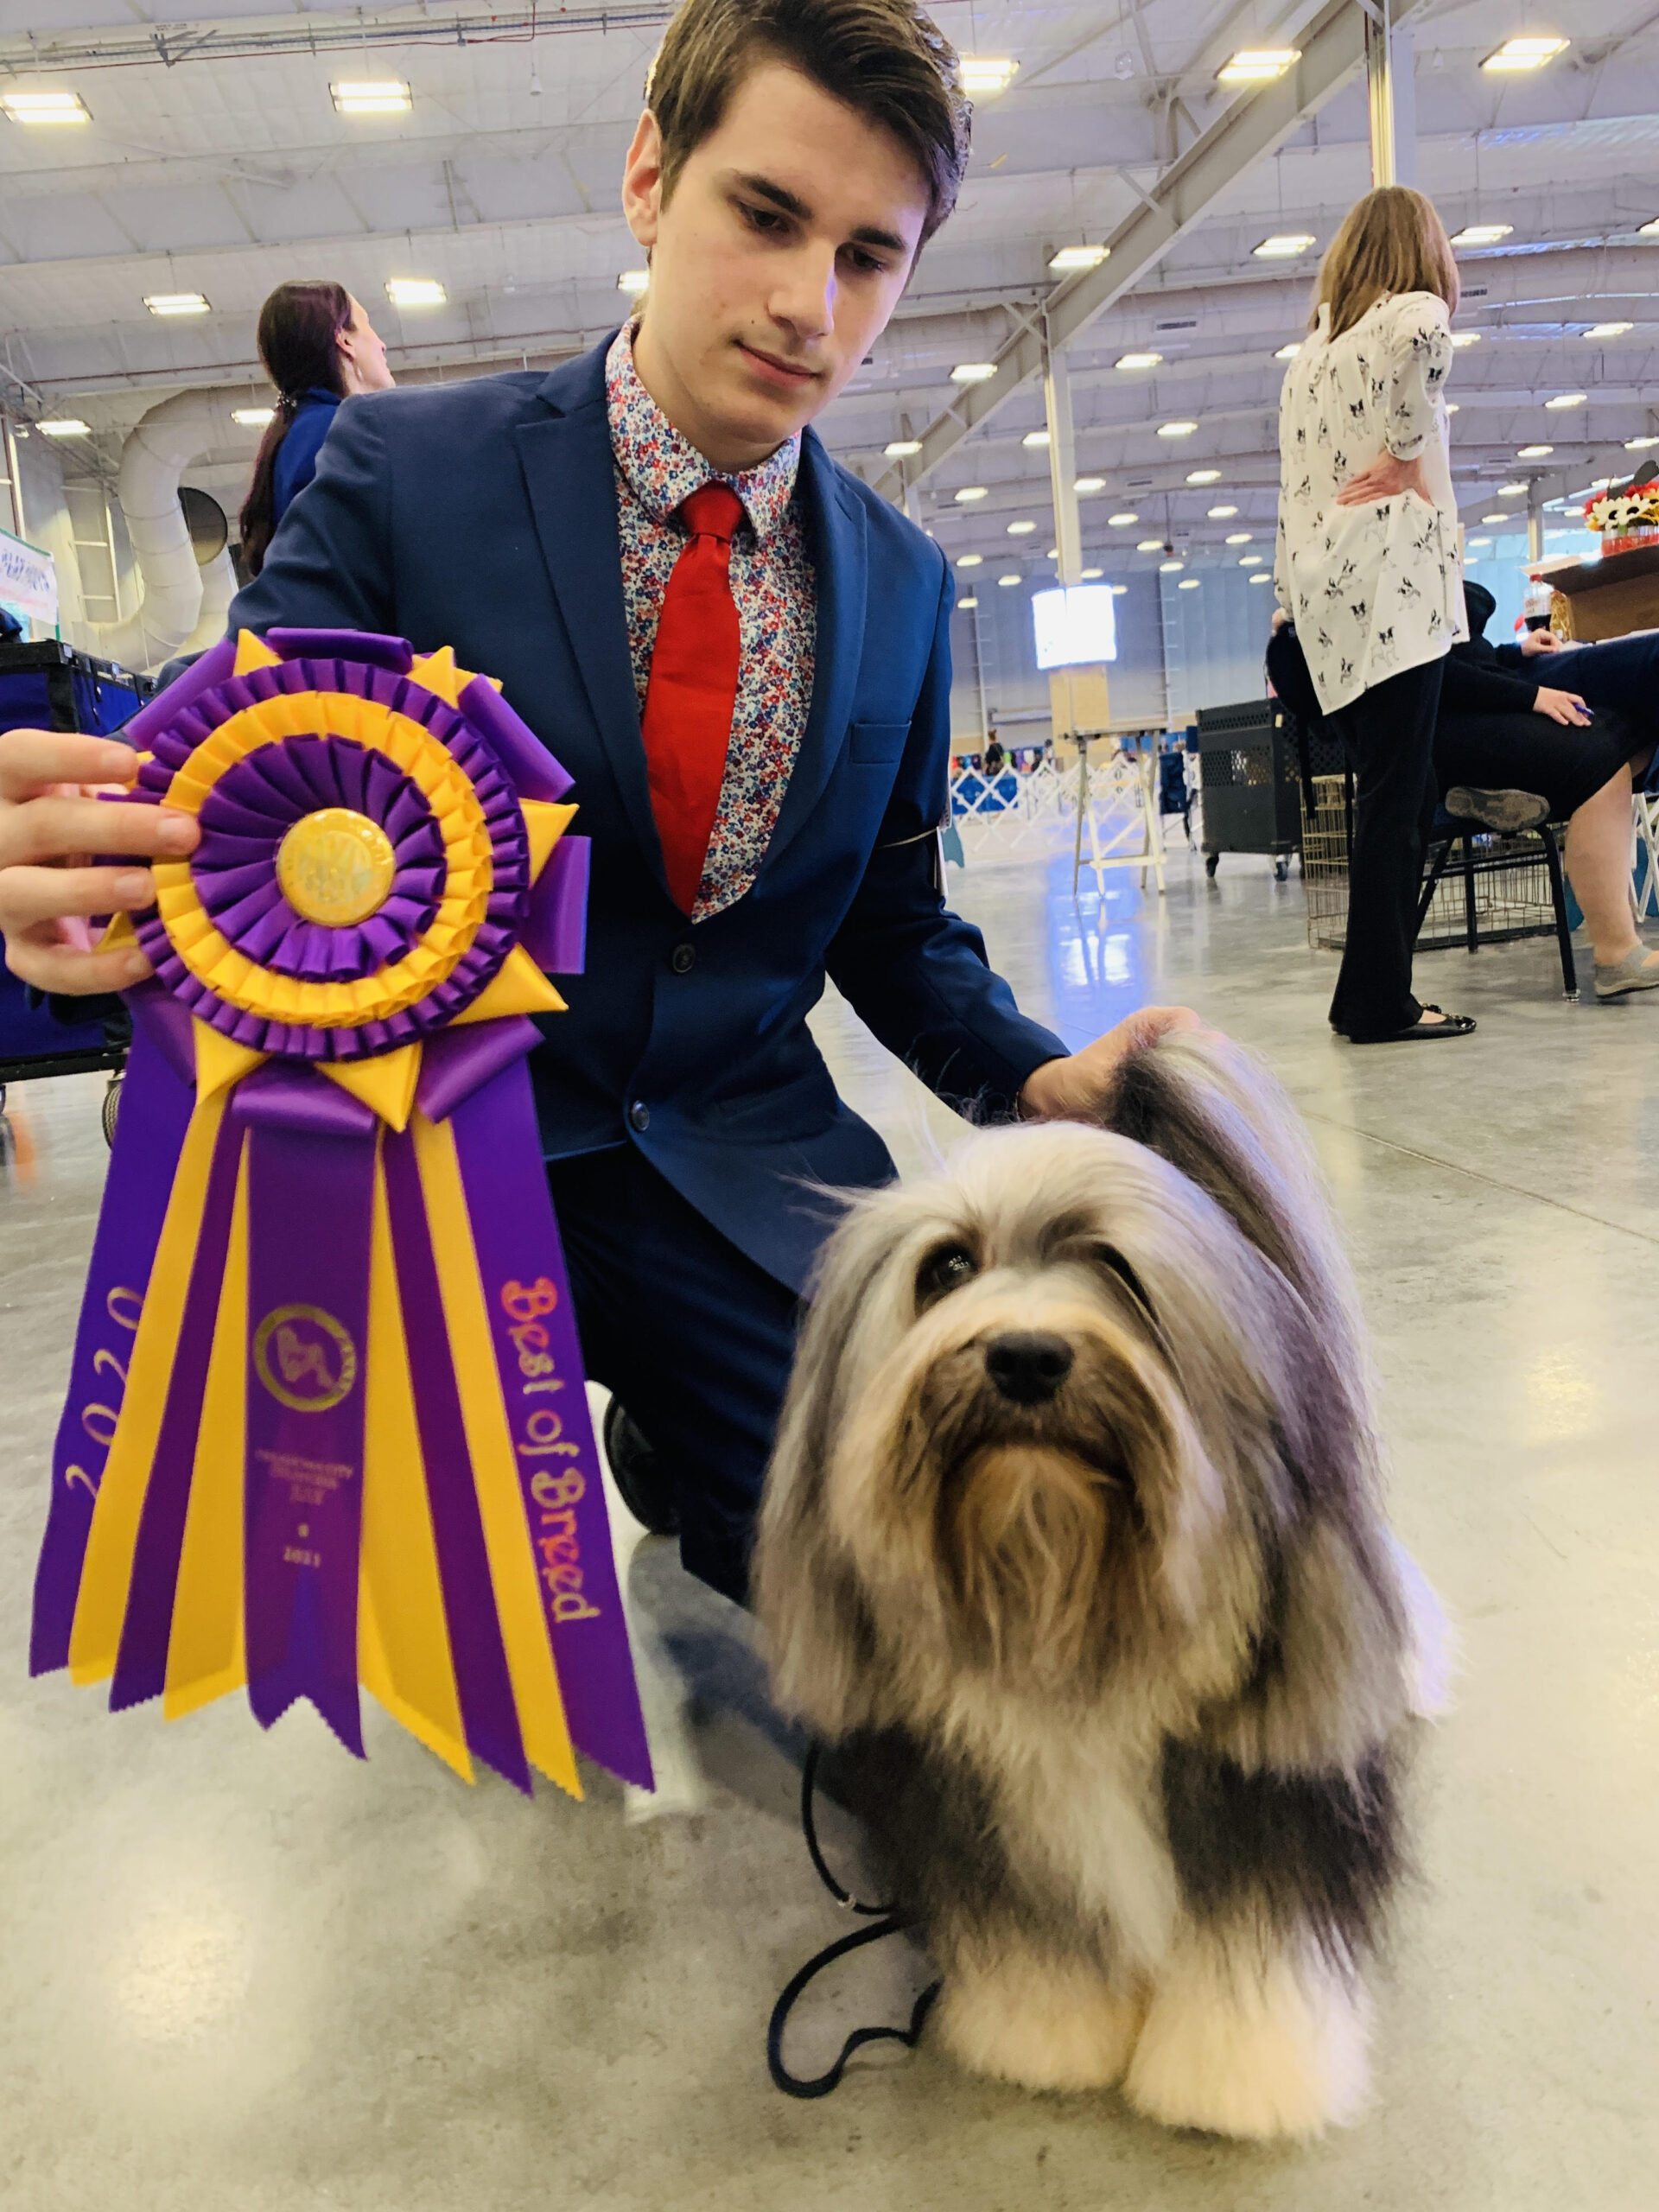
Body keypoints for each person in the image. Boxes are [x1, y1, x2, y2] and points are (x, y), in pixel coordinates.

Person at [0, 0, 1195, 1608]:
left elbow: (895, 928)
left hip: (743, 1148)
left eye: (868, 254)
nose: (805, 303)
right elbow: (231, 814)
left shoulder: (905, 589)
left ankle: (677, 1444)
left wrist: (1039, 1078)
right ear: (652, 177)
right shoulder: (398, 477)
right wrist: (111, 896)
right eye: (765, 215)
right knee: (432, 1590)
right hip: (424, 1143)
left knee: (893, 1591)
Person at [1274, 184, 1474, 1044]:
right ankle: (1378, 1002)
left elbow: (1292, 492)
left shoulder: (1312, 358)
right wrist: (1402, 454)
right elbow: (1430, 325)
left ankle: (1365, 991)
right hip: (1395, 596)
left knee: (1398, 793)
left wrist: (1286, 606)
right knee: (1398, 802)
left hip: (1326, 607)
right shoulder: (1409, 318)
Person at [1435, 581, 1659, 998]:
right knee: (1598, 748)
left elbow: (1463, 652)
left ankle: (1496, 794)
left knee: (1636, 723)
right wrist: (1531, 695)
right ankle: (1616, 950)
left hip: (1487, 681)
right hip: (1451, 716)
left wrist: (1512, 653)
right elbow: (1432, 671)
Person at [238, 280, 395, 575]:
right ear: (345, 340)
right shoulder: (337, 432)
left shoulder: (302, 431)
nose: (381, 344)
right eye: (367, 326)